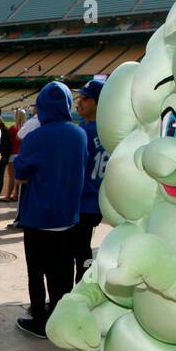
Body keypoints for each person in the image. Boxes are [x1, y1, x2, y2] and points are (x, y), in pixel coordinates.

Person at [12, 81, 87, 337]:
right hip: (68, 216)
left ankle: (40, 321)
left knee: (37, 272)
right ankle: (60, 318)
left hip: (38, 218)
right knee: (63, 273)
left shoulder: (36, 137)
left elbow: (20, 173)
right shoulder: (79, 134)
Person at [71, 78, 108, 283]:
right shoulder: (111, 131)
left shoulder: (83, 132)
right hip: (98, 201)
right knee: (83, 251)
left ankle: (76, 295)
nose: (79, 102)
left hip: (80, 202)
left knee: (75, 254)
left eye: (85, 98)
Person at [0, 107, 25, 203]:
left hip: (13, 154)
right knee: (18, 176)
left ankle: (8, 195)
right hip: (22, 154)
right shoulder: (25, 127)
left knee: (11, 176)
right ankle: (16, 195)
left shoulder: (13, 128)